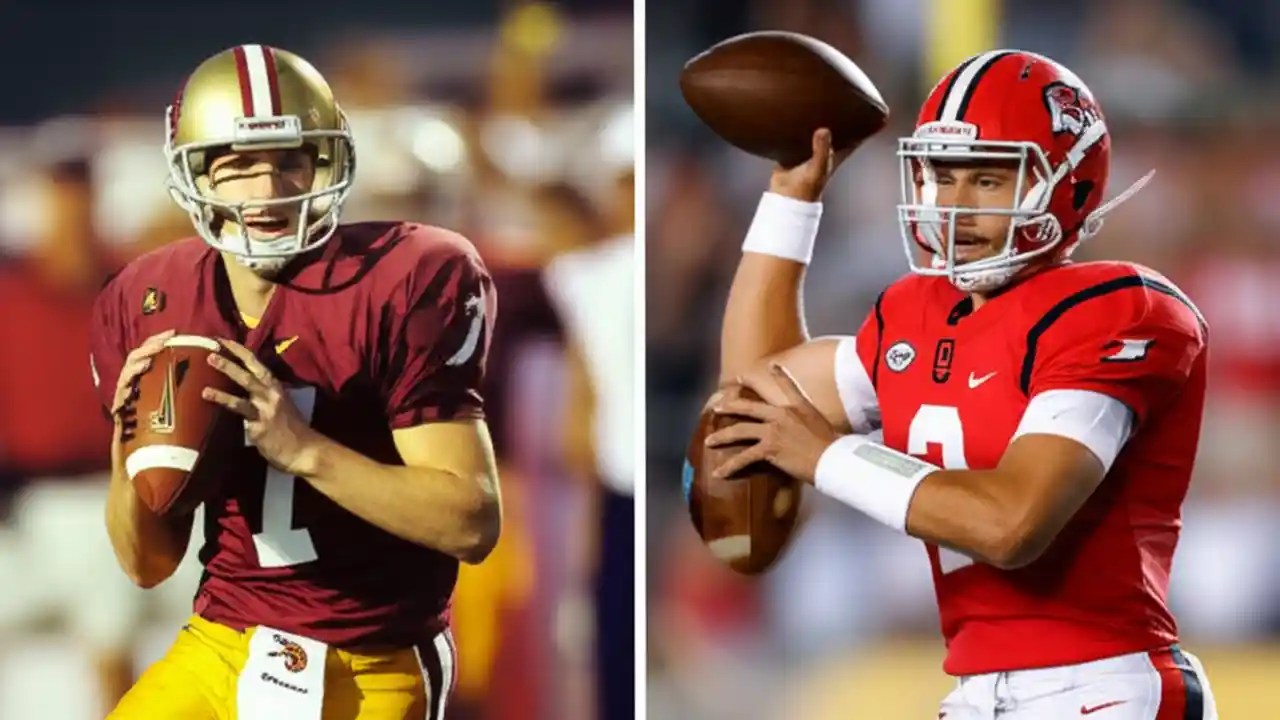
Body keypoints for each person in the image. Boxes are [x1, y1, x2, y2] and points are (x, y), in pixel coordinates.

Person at [705, 49, 1217, 718]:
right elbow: (751, 395)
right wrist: (790, 199)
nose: (953, 204)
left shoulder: (1120, 307)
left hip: (1105, 688)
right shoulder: (914, 312)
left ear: (1069, 186)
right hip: (977, 690)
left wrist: (829, 458)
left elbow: (1011, 524)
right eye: (941, 176)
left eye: (987, 180)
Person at [90, 44, 502, 720]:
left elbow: (471, 521)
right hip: (224, 640)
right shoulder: (147, 297)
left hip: (373, 656)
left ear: (328, 161)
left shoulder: (408, 277)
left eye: (290, 160)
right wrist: (129, 443)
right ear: (194, 174)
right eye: (239, 164)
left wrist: (304, 449)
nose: (269, 189)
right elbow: (146, 566)